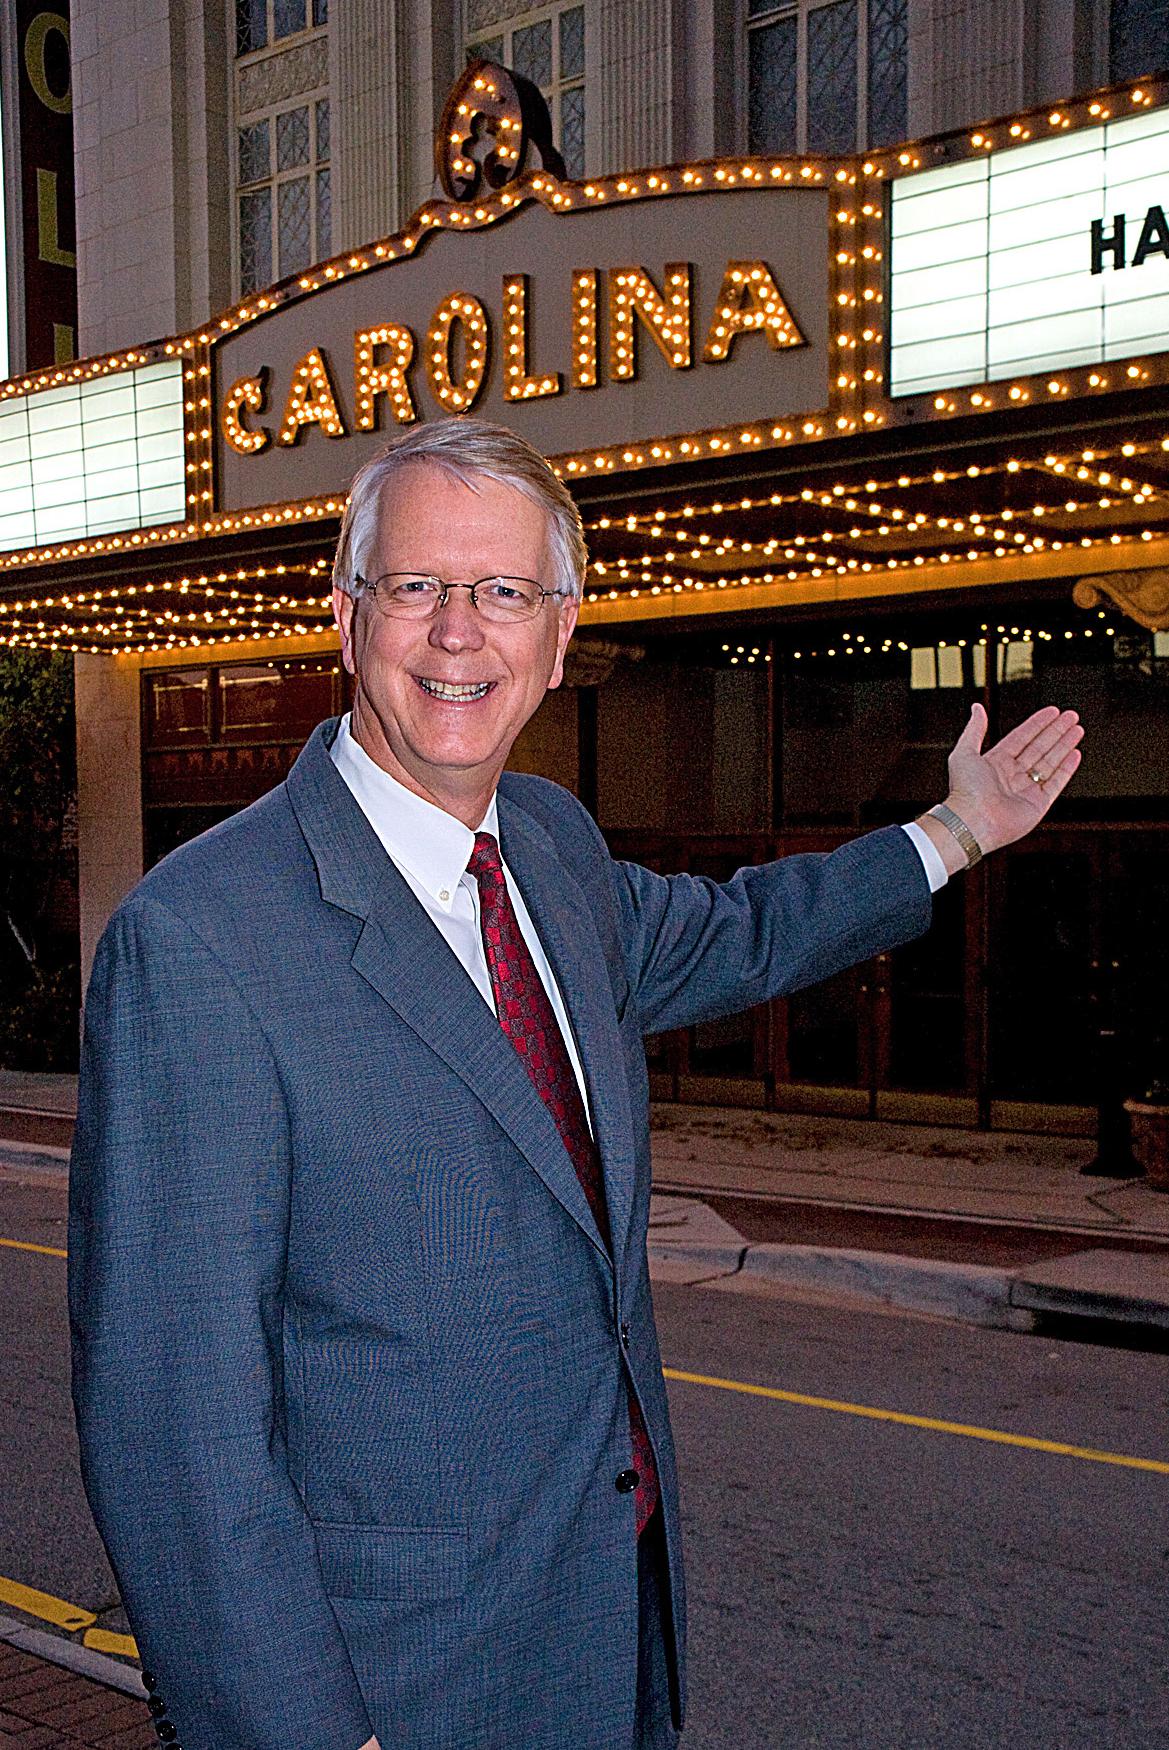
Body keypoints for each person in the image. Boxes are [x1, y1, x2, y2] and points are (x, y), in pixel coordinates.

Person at [66, 418, 1083, 1750]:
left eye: (503, 592)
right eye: (416, 585)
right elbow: (172, 1421)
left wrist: (953, 831)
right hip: (395, 1689)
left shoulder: (548, 847)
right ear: (344, 613)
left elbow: (741, 928)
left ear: (559, 635)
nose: (456, 632)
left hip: (602, 1633)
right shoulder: (198, 938)